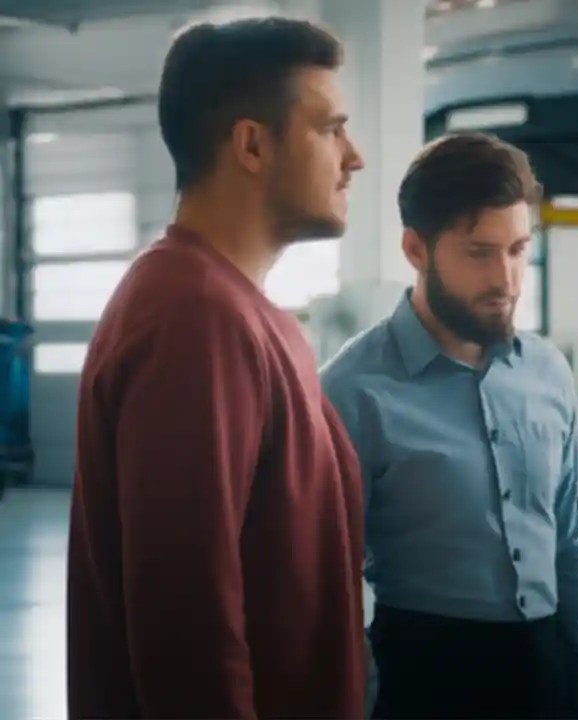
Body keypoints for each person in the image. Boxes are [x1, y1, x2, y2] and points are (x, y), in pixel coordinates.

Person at [66, 16, 367, 720]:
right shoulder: (192, 317)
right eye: (330, 129)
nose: (353, 157)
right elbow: (188, 626)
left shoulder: (248, 313)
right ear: (252, 145)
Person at [320, 131, 578, 719]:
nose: (505, 279)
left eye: (519, 249)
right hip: (427, 682)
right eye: (479, 252)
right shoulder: (351, 391)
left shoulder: (548, 372)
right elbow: (327, 588)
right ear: (416, 249)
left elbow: (567, 540)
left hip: (551, 677)